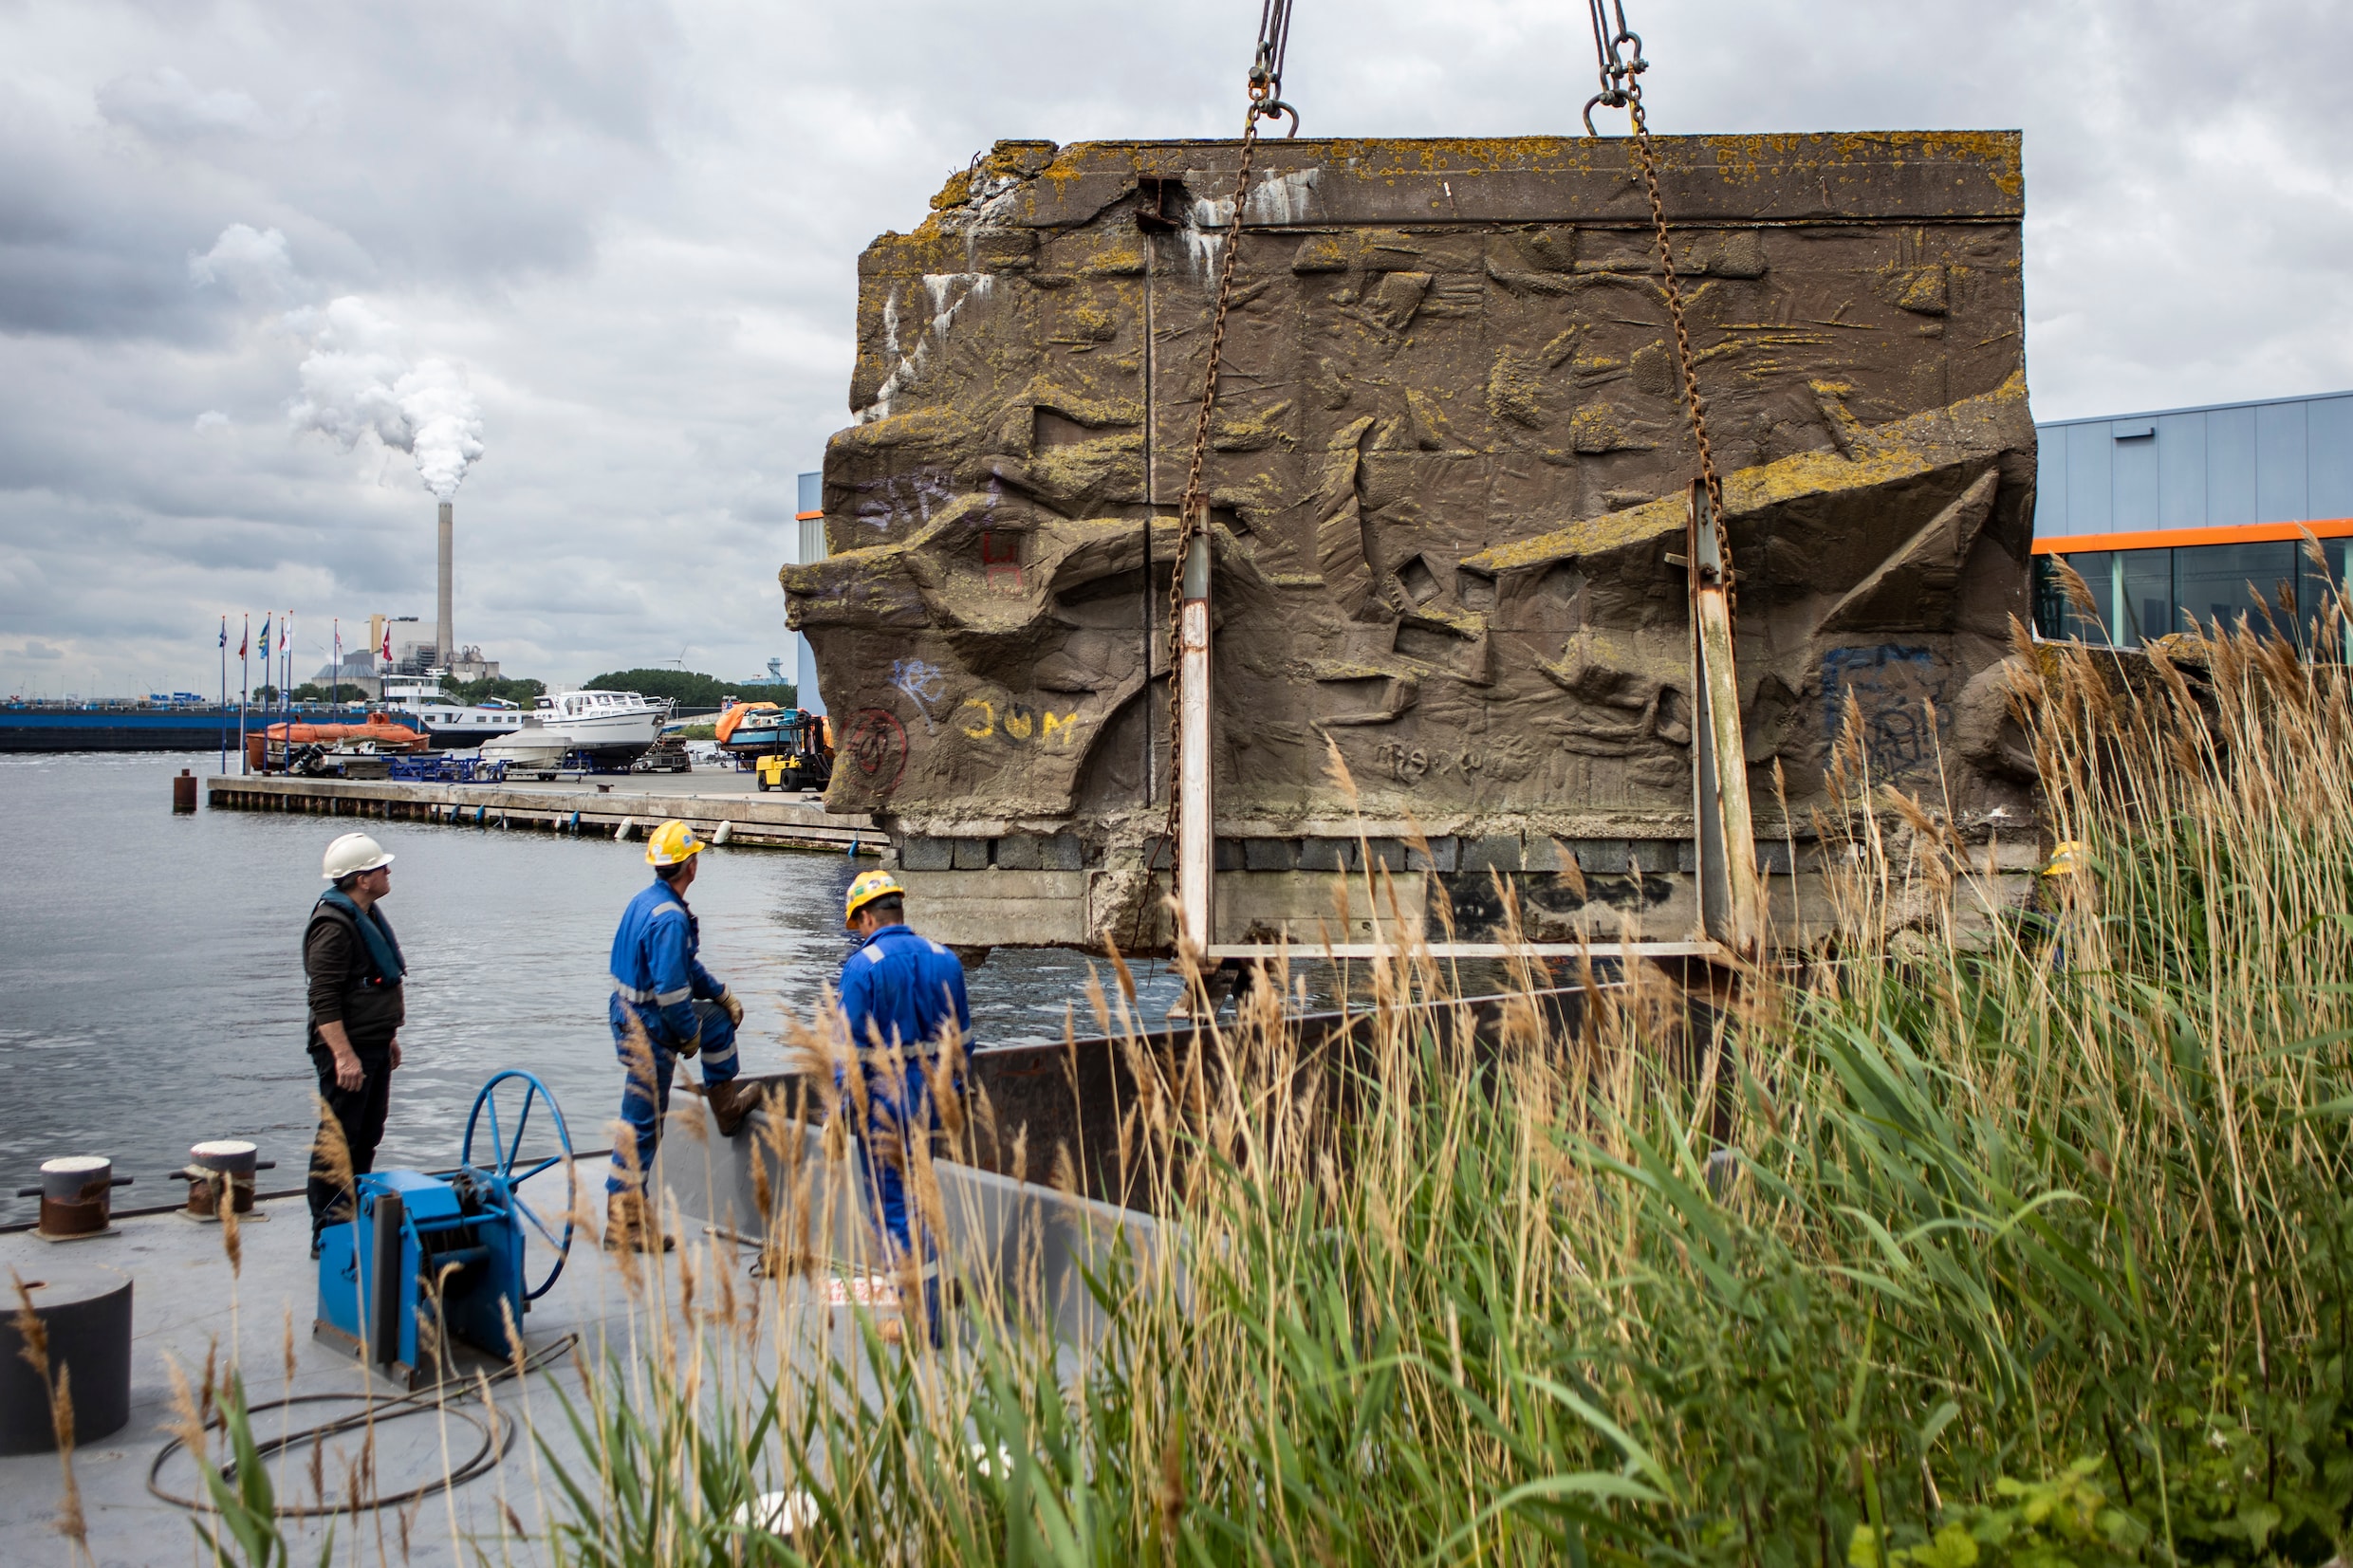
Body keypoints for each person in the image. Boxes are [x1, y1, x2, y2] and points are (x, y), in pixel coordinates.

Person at [836, 868, 972, 1343]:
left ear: (867, 918)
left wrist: (840, 1112)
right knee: (920, 1196)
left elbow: (848, 1053)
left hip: (885, 1100)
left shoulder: (863, 968)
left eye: (858, 924)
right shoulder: (945, 959)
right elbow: (962, 1042)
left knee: (894, 1206)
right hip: (933, 1095)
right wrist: (957, 1093)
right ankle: (927, 1298)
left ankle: (921, 1320)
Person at [605, 819, 753, 1251]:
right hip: (649, 1025)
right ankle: (624, 1224)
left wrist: (720, 994)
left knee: (718, 1021)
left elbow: (684, 968)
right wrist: (688, 1034)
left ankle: (725, 1106)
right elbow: (671, 993)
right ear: (690, 866)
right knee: (642, 1123)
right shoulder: (670, 919)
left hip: (630, 1015)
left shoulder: (648, 901)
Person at [305, 832, 406, 1257]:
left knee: (367, 1133)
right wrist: (344, 1056)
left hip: (373, 1044)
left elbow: (378, 983)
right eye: (381, 868)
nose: (388, 871)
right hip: (349, 1051)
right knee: (339, 1138)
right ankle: (328, 1231)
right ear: (362, 879)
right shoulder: (334, 927)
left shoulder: (366, 914)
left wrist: (389, 1037)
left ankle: (352, 1212)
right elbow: (323, 998)